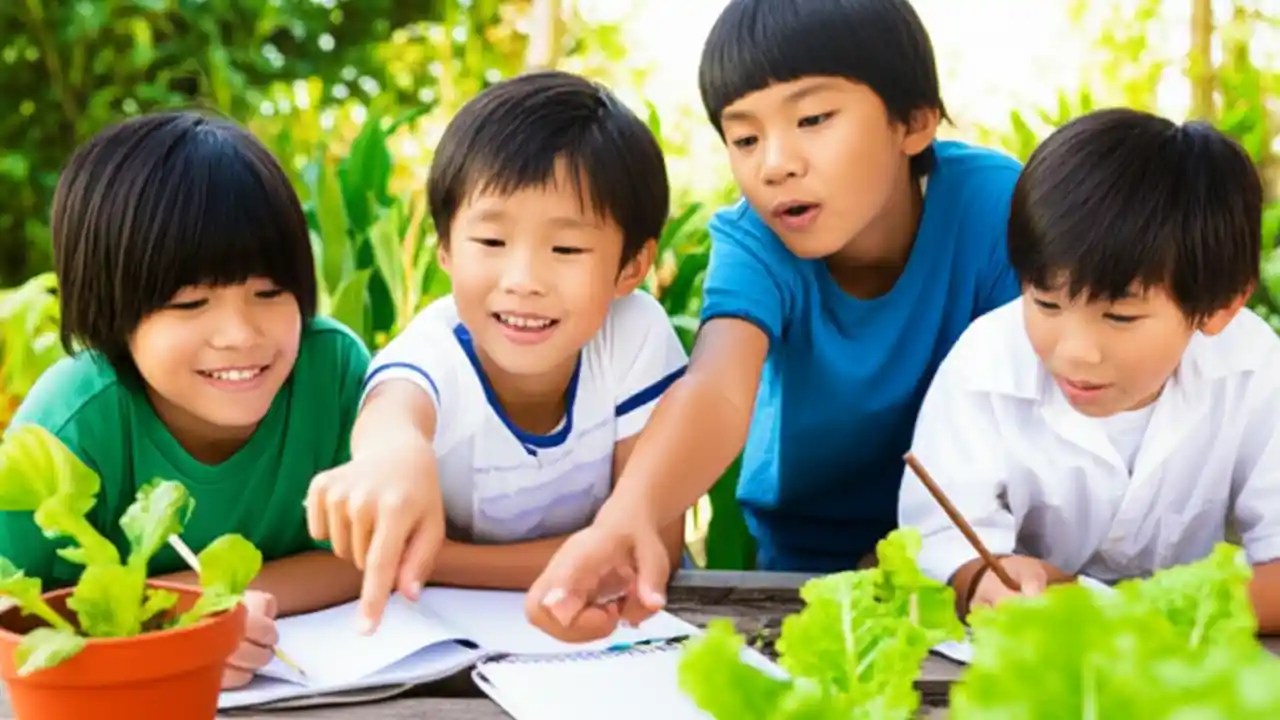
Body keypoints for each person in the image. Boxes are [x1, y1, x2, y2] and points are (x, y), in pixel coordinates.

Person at [523, 0, 1025, 641]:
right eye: (745, 138)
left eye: (813, 118)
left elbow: (1034, 394)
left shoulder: (994, 205)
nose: (775, 163)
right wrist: (629, 516)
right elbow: (716, 386)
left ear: (915, 121)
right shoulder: (754, 241)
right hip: (809, 564)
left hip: (978, 555)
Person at [305, 70, 688, 634]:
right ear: (445, 249)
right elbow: (392, 418)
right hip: (451, 635)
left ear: (631, 265)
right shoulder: (432, 352)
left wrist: (436, 559)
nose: (523, 279)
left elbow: (650, 545)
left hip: (618, 633)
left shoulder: (635, 334)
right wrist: (392, 459)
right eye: (490, 242)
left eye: (566, 247)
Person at [0, 111, 371, 686]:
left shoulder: (335, 373)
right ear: (112, 311)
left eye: (269, 292)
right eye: (191, 303)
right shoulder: (71, 422)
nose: (240, 335)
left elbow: (365, 555)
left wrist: (205, 611)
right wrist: (168, 633)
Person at [895, 108, 1280, 630]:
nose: (1075, 352)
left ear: (1218, 309)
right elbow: (941, 545)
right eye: (1046, 303)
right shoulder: (984, 363)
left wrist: (1124, 615)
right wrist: (988, 578)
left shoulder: (1254, 369)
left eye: (1120, 316)